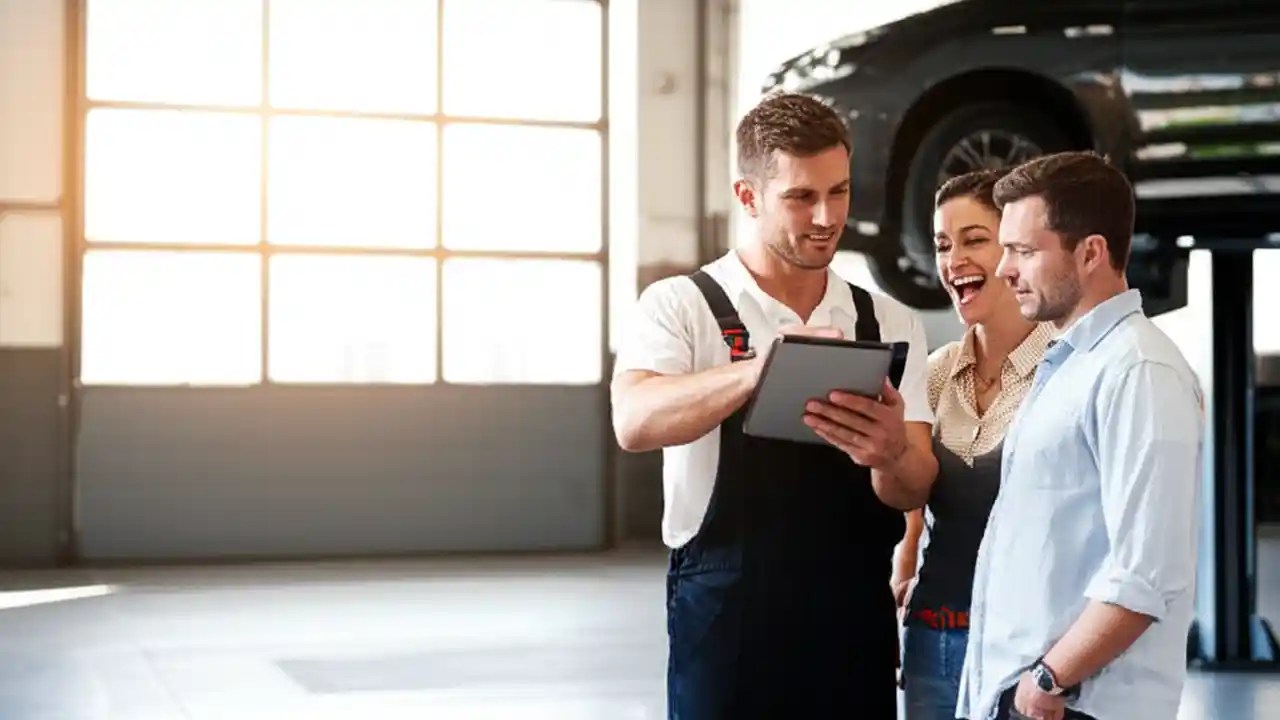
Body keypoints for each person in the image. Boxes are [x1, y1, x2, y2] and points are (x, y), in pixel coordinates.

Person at [610, 91, 938, 719]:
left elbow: (913, 486)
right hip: (726, 610)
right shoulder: (682, 304)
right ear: (747, 196)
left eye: (838, 192)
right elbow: (634, 420)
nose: (825, 216)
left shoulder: (886, 319)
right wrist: (759, 372)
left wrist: (892, 451)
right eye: (800, 197)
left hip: (852, 617)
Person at [957, 151, 1203, 720]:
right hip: (1030, 699)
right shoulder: (1069, 364)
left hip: (1073, 704)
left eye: (1022, 250)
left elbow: (1148, 571)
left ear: (1091, 252)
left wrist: (1048, 680)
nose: (1003, 269)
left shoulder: (1140, 371)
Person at [890, 168, 1056, 720]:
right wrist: (906, 558)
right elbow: (916, 484)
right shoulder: (935, 374)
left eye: (974, 240)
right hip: (934, 640)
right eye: (943, 244)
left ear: (1013, 251)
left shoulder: (1064, 370)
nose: (953, 259)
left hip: (1027, 651)